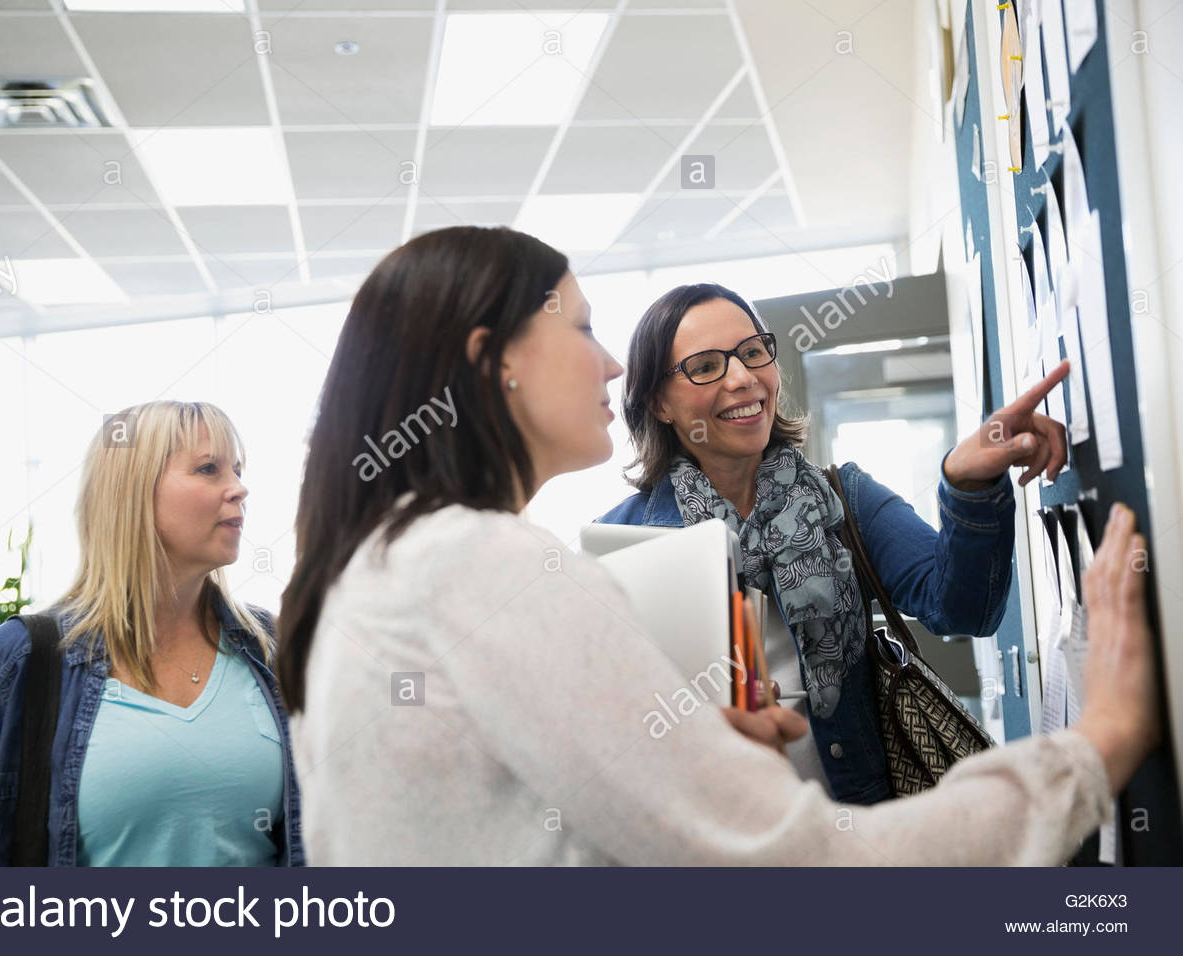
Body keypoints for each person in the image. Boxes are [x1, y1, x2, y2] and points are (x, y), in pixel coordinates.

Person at [279, 225, 1158, 866]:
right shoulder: (505, 567)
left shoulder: (389, 567)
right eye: (582, 330)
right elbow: (796, 867)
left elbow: (541, 821)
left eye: (753, 353)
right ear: (493, 361)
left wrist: (703, 763)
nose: (609, 364)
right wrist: (1104, 739)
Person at [597, 282, 1070, 802]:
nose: (742, 378)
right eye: (706, 366)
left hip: (859, 827)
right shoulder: (626, 545)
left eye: (753, 353)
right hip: (715, 838)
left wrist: (967, 482)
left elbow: (964, 609)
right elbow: (609, 730)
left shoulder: (844, 498)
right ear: (660, 402)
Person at [0, 401, 303, 866]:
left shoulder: (268, 646)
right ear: (133, 493)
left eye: (238, 469)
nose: (240, 489)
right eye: (209, 469)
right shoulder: (17, 661)